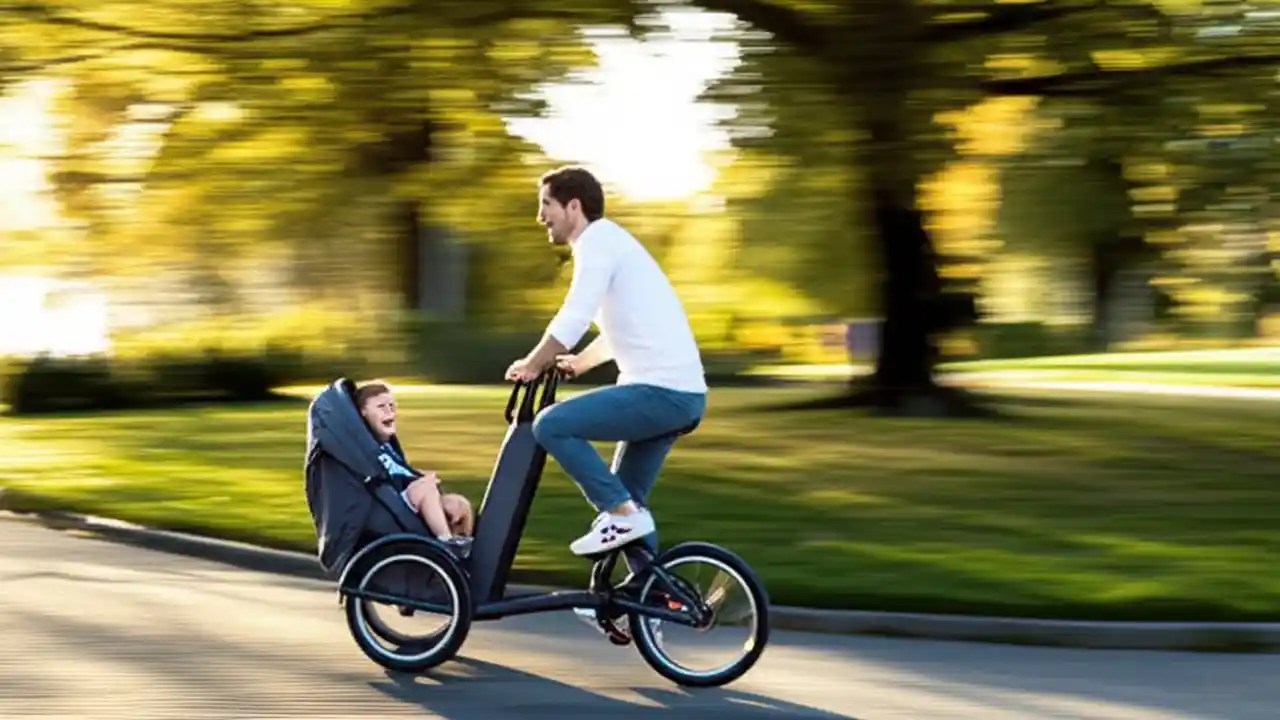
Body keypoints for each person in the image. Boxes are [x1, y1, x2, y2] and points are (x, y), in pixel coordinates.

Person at [505, 165, 707, 564]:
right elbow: (624, 326)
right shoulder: (611, 243)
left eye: (546, 204)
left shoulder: (597, 241)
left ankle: (621, 517)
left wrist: (532, 362)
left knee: (552, 424)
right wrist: (580, 363)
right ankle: (643, 607)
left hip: (661, 393)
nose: (540, 215)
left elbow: (574, 317)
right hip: (679, 395)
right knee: (629, 505)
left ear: (573, 206)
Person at [354, 381, 474, 552]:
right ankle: (447, 545)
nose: (390, 411)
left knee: (460, 504)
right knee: (426, 487)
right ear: (363, 414)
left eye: (392, 405)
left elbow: (404, 472)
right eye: (381, 407)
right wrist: (423, 483)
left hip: (410, 498)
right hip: (391, 504)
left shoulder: (389, 447)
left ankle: (463, 551)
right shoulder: (366, 448)